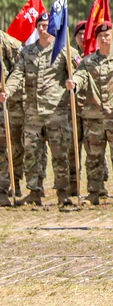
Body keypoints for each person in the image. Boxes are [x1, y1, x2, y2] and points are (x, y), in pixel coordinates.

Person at [0, 13, 78, 206]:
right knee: (32, 154)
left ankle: (62, 192)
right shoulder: (27, 53)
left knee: (60, 154)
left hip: (56, 113)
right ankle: (34, 191)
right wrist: (7, 91)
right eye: (40, 26)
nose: (43, 30)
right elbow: (17, 74)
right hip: (33, 113)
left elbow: (78, 72)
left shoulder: (65, 50)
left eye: (46, 26)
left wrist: (74, 82)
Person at [66, 21, 113, 205]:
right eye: (100, 36)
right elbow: (80, 76)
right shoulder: (89, 61)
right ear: (96, 39)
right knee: (94, 158)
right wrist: (74, 83)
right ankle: (93, 192)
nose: (104, 38)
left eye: (107, 35)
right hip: (94, 118)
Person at [0, 29, 24, 205]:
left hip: (1, 102)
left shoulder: (5, 40)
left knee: (2, 149)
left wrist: (8, 89)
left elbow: (19, 66)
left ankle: (2, 190)